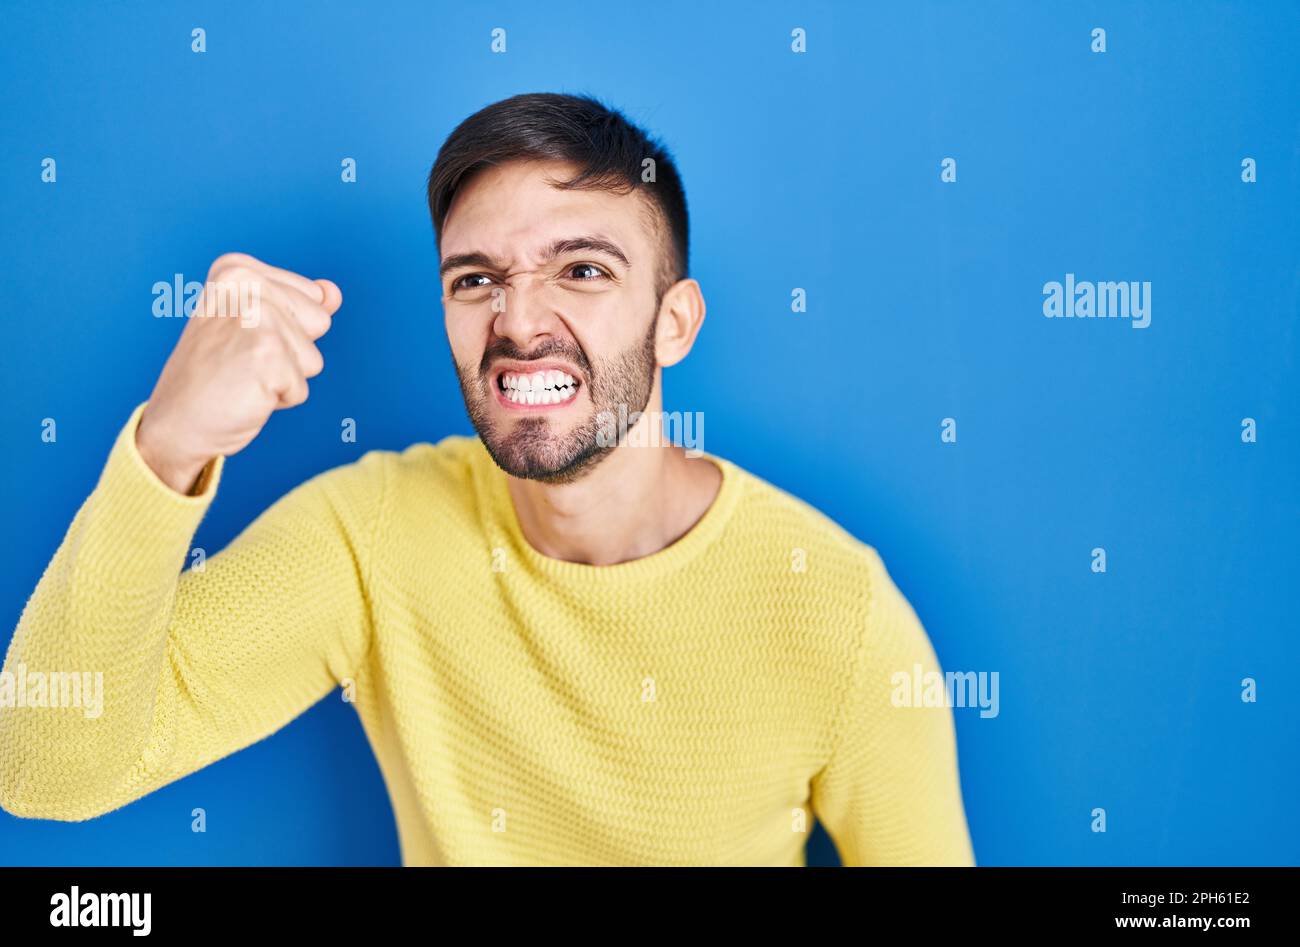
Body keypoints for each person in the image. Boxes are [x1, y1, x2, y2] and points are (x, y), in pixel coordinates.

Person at [0, 92, 976, 866]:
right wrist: (166, 447)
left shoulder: (837, 609)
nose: (518, 322)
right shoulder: (371, 532)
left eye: (582, 270)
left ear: (673, 322)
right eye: (476, 279)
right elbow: (44, 767)